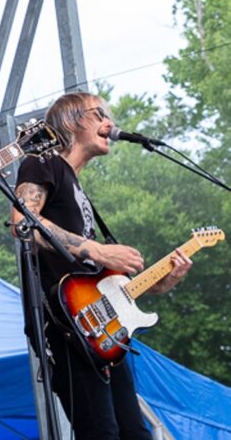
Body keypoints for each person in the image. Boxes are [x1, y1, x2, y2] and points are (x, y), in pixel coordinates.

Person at [11, 92, 192, 439]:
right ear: (72, 120)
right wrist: (96, 250)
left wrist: (157, 284)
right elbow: (23, 223)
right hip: (67, 325)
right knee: (100, 432)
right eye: (99, 115)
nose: (110, 124)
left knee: (134, 432)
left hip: (103, 327)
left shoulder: (76, 186)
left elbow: (96, 272)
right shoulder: (42, 163)